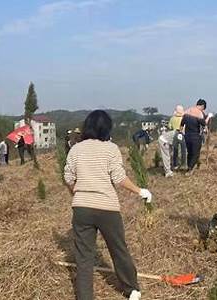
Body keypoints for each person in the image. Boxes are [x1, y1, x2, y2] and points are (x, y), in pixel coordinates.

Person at [64, 110, 152, 300]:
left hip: (81, 209)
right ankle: (131, 289)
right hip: (107, 209)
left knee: (83, 258)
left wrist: (77, 194)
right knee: (118, 249)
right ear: (106, 129)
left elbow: (68, 178)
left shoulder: (75, 149)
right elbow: (119, 177)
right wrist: (140, 191)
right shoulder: (110, 148)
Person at [180, 99, 212, 174]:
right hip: (195, 136)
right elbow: (204, 123)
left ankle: (189, 166)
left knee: (190, 152)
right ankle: (190, 169)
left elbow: (181, 124)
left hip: (187, 136)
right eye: (203, 108)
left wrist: (181, 133)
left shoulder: (187, 111)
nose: (203, 110)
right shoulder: (199, 113)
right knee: (196, 153)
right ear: (202, 106)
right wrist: (209, 117)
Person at [168, 105, 186, 170]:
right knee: (183, 150)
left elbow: (169, 127)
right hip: (181, 134)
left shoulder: (172, 118)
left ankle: (175, 164)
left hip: (174, 134)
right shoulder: (183, 118)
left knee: (175, 150)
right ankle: (183, 164)